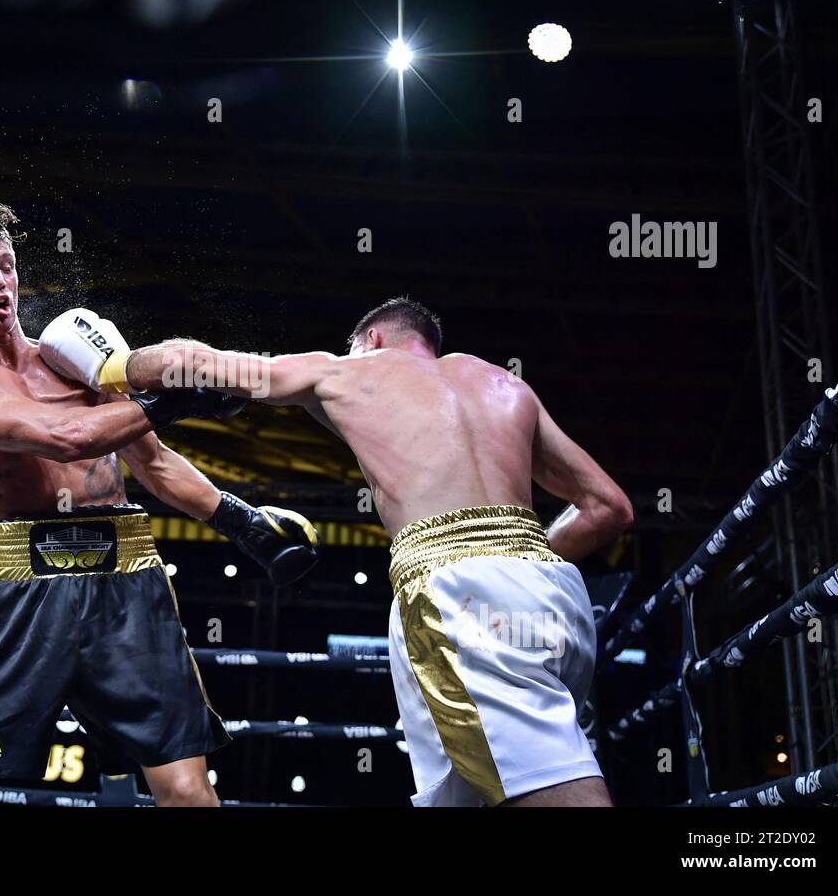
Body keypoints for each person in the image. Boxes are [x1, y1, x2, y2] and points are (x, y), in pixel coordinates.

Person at [46, 296, 632, 807]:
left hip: (460, 590)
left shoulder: (348, 371)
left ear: (372, 340)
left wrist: (110, 363)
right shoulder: (507, 386)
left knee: (552, 787)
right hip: (551, 590)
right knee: (472, 785)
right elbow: (609, 507)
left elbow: (193, 365)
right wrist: (511, 564)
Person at [0, 201, 318, 807]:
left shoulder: (77, 361)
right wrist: (178, 401)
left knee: (188, 789)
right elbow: (67, 438)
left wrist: (243, 522)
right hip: (20, 589)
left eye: (6, 265)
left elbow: (152, 463)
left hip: (126, 581)